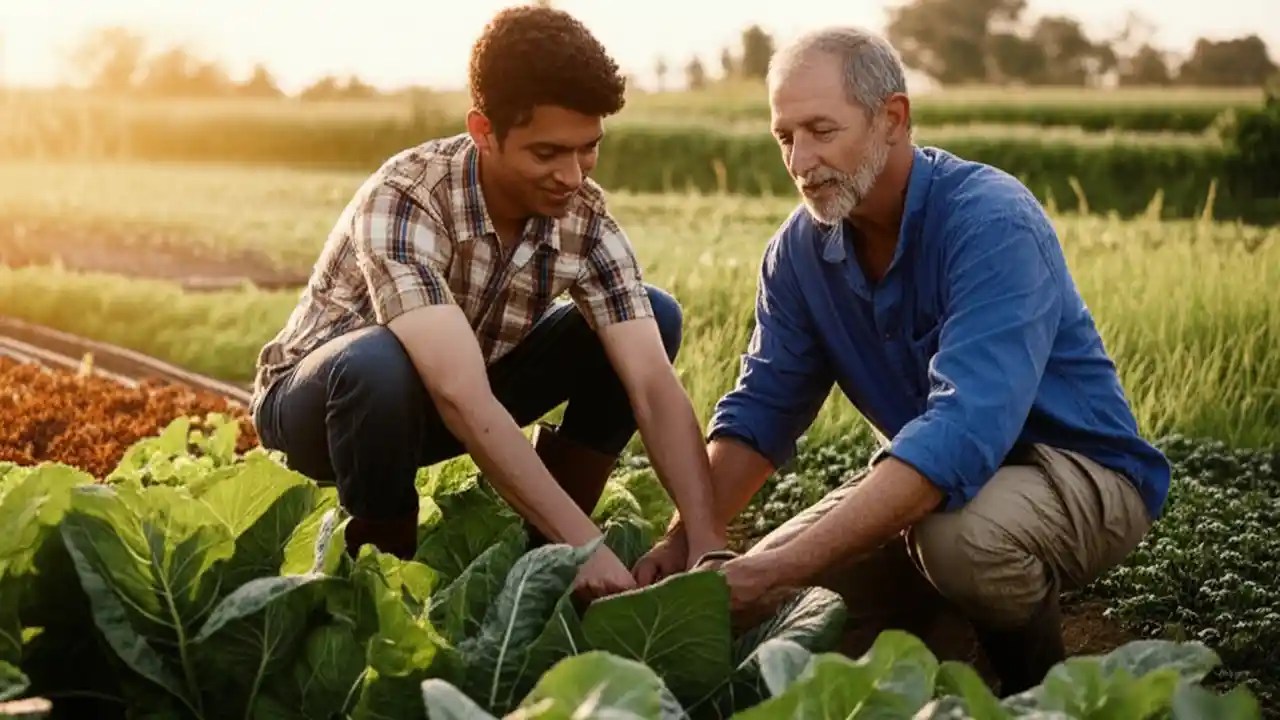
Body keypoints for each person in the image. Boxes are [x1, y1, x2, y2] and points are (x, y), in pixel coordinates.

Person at [631, 26, 1171, 695]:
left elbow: (960, 432)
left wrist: (775, 567)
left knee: (959, 544)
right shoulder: (800, 254)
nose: (801, 161)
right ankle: (944, 630)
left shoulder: (989, 220)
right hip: (924, 491)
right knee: (756, 610)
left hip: (1076, 470)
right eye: (785, 137)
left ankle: (1039, 693)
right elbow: (761, 412)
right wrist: (684, 541)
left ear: (893, 117)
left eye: (822, 131)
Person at [249, 5, 725, 600]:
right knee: (379, 362)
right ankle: (384, 582)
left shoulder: (584, 216)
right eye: (547, 153)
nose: (572, 176)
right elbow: (457, 392)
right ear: (484, 132)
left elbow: (652, 383)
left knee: (655, 314)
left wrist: (707, 540)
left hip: (450, 398)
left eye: (587, 150)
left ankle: (547, 554)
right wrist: (588, 542)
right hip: (322, 410)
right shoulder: (407, 196)